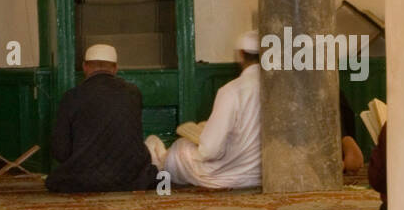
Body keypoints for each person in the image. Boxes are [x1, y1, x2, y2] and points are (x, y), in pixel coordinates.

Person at [147, 30, 262, 189]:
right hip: (259, 175)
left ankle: (161, 177)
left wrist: (201, 140)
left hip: (229, 176)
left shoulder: (231, 91)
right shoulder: (277, 89)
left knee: (179, 148)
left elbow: (210, 151)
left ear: (241, 55)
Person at [46, 44, 159, 193]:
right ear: (115, 68)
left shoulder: (72, 96)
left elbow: (60, 150)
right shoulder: (133, 93)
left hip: (84, 179)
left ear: (85, 67)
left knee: (55, 181)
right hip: (130, 177)